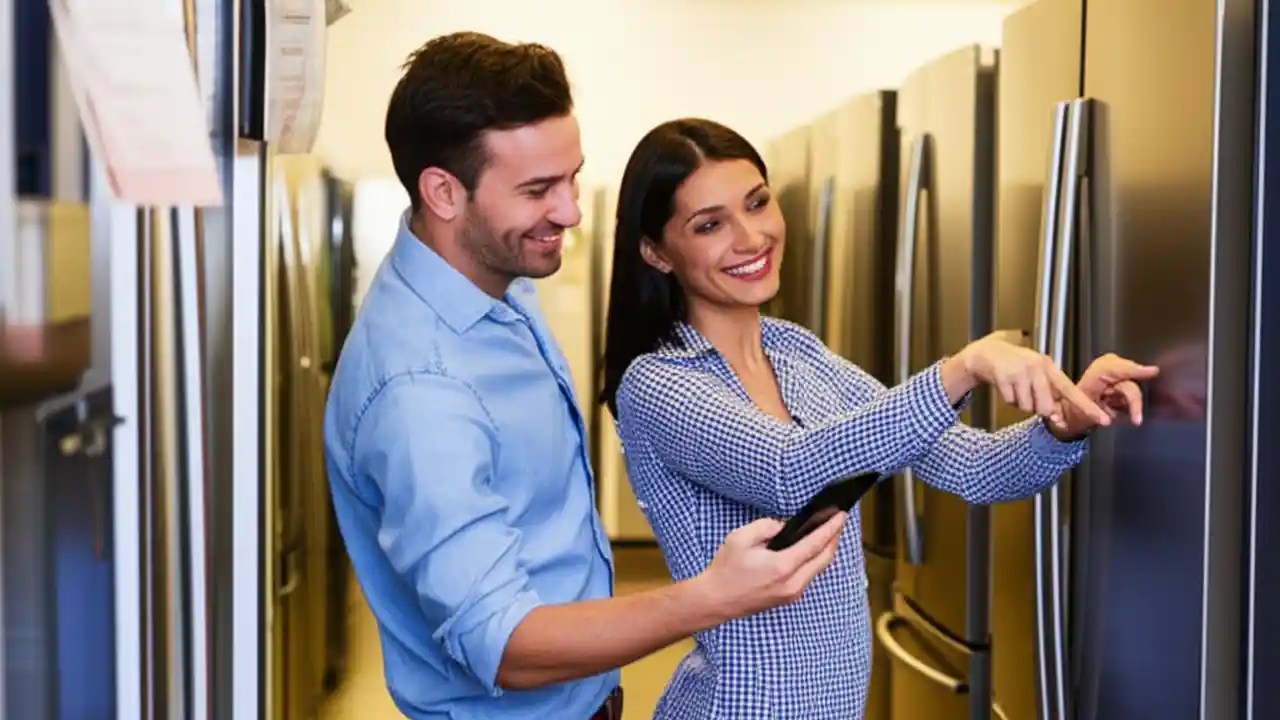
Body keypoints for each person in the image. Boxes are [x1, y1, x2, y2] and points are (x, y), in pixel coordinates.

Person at [322, 34, 849, 720]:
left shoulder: (496, 284)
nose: (571, 212)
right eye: (539, 190)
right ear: (444, 193)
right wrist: (712, 597)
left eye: (571, 177)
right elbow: (504, 646)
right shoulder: (419, 392)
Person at [599, 117, 1160, 719]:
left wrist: (1067, 418)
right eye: (710, 224)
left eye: (757, 203)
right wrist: (962, 369)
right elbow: (790, 471)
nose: (751, 237)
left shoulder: (797, 353)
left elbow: (975, 468)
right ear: (656, 252)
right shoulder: (660, 383)